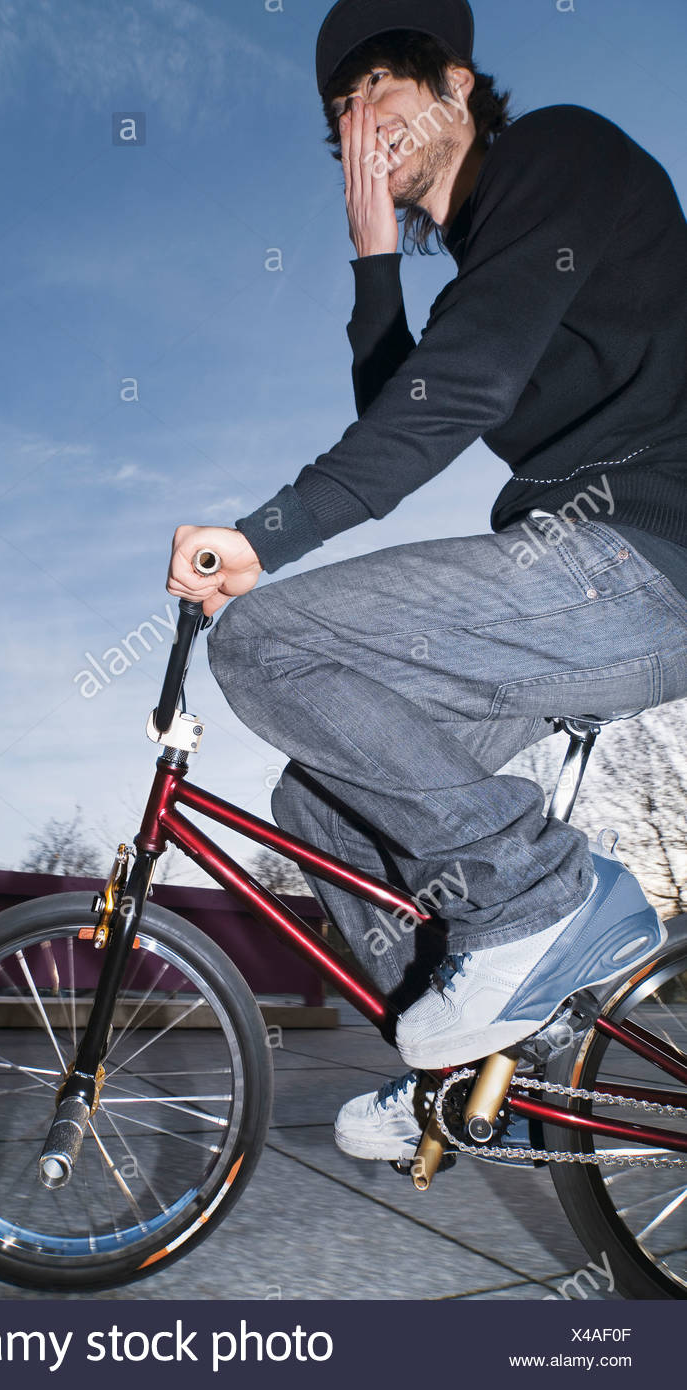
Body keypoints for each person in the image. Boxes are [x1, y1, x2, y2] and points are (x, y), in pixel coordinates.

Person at [166, 0, 687, 1164]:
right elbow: (412, 393)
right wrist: (370, 263)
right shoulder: (488, 266)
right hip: (581, 592)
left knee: (264, 641)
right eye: (339, 115)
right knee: (320, 799)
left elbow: (449, 399)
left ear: (454, 87)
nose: (359, 125)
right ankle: (470, 1058)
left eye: (379, 94)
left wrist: (263, 536)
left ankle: (539, 899)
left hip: (645, 561)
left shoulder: (558, 156)